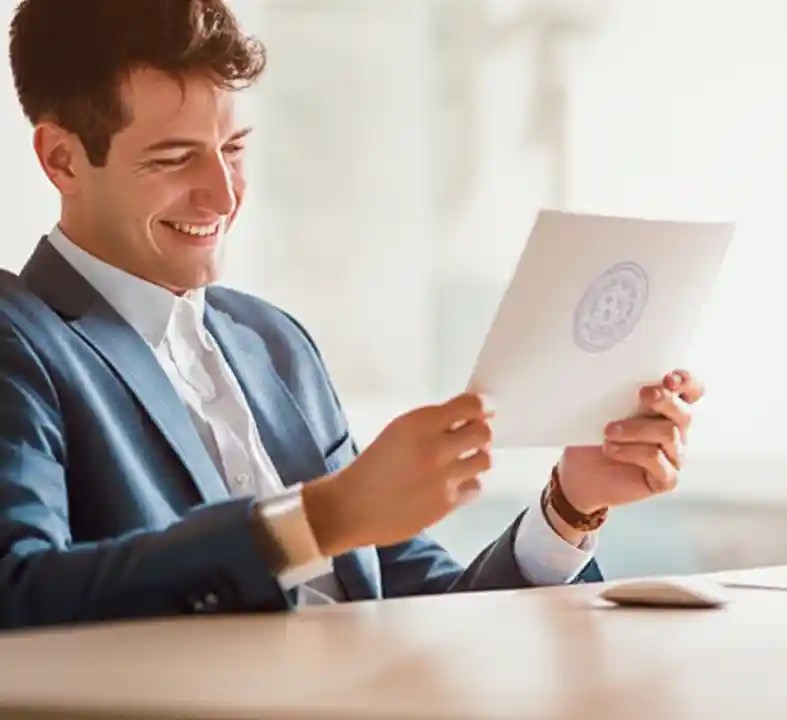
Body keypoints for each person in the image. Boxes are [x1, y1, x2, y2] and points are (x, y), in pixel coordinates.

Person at [0, 0, 703, 629]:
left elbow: (433, 607)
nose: (224, 195)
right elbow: (18, 592)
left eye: (234, 149)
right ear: (63, 160)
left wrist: (571, 505)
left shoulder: (273, 343)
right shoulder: (21, 340)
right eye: (174, 159)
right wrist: (320, 519)